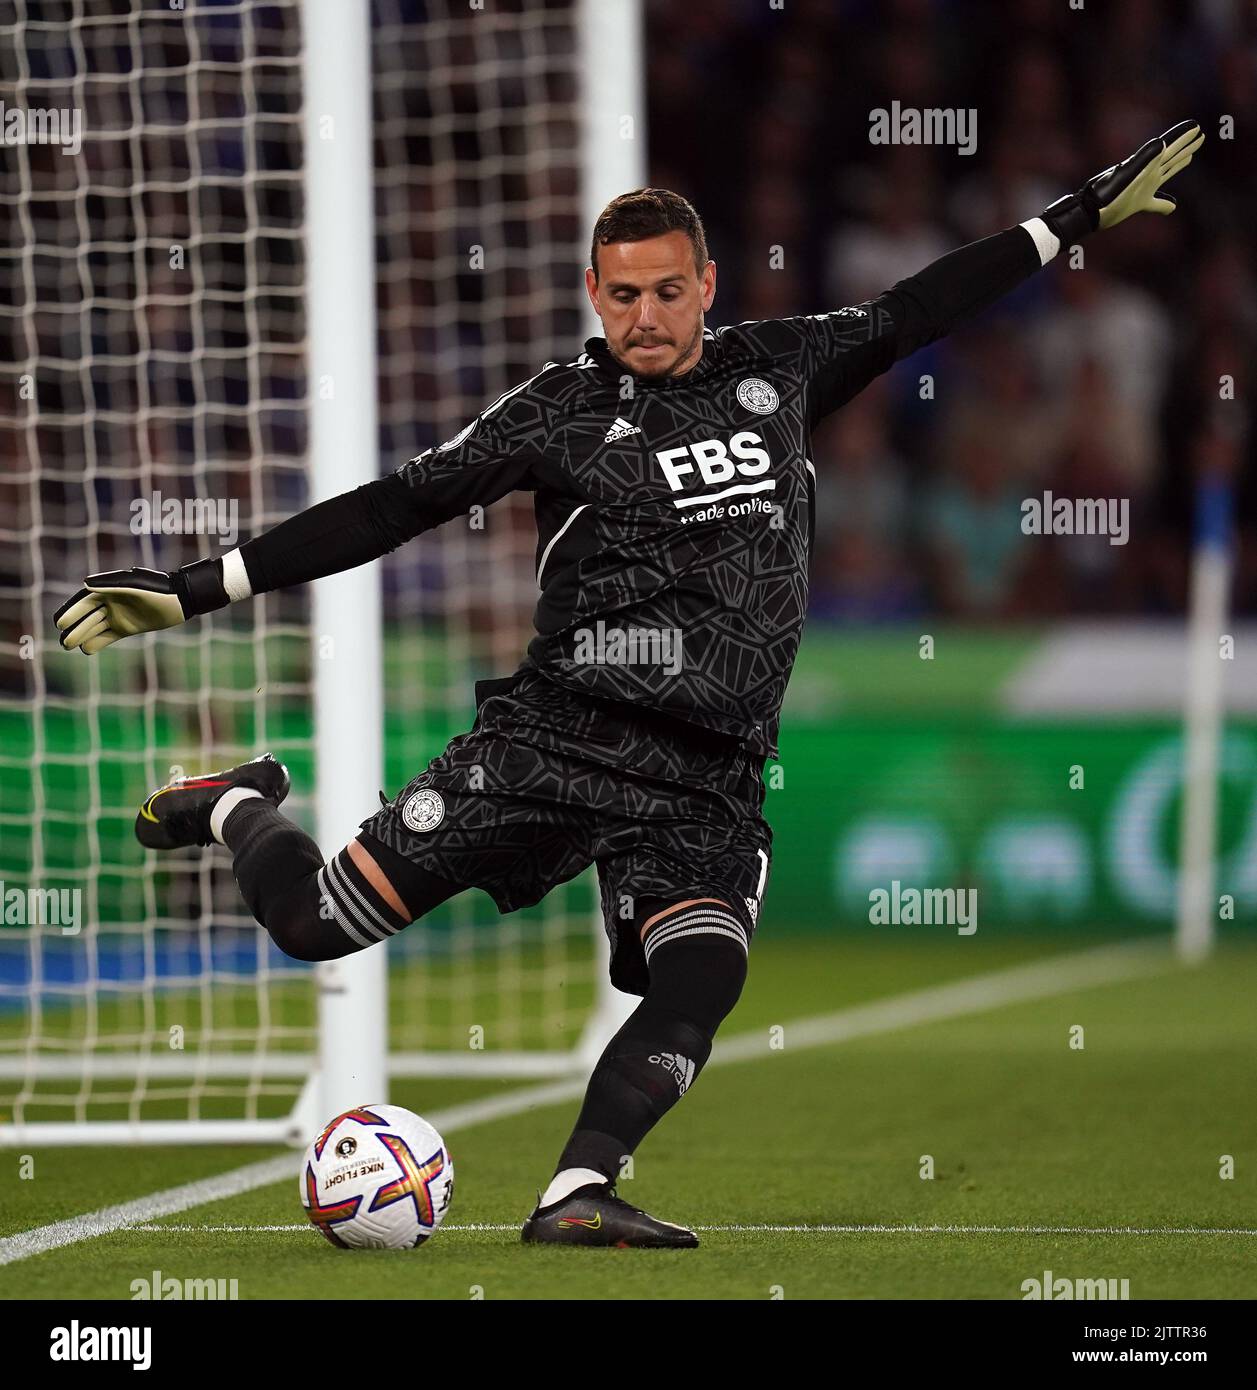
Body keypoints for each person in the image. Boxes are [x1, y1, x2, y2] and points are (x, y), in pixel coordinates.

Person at [54, 122, 1204, 1247]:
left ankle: (576, 1191)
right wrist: (203, 584)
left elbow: (919, 309)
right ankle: (235, 801)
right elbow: (395, 506)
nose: (644, 316)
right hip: (556, 737)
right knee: (314, 925)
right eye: (621, 295)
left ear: (708, 285)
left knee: (702, 970)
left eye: (665, 291)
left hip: (705, 773)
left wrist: (1075, 217)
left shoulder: (781, 369)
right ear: (594, 296)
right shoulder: (553, 411)